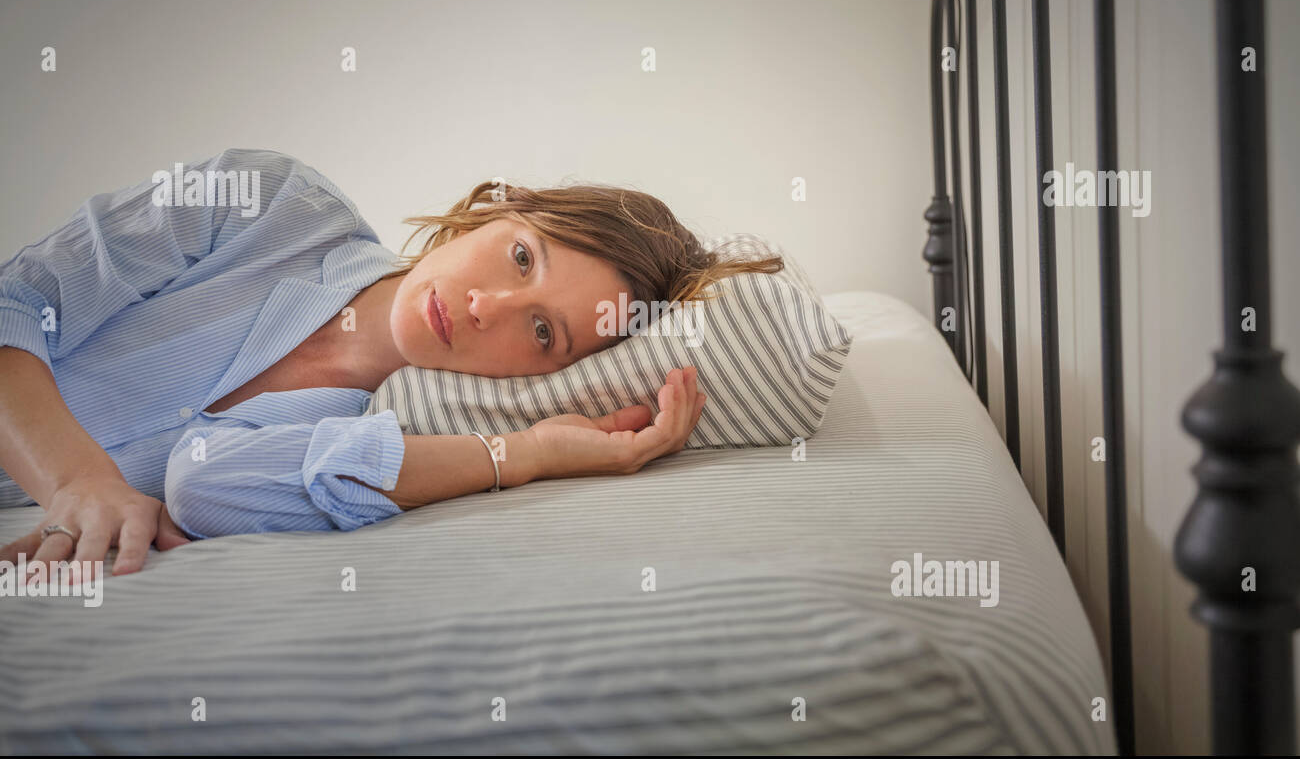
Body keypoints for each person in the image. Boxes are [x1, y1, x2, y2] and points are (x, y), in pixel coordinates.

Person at [0, 148, 782, 579]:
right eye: (520, 257)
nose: (488, 307)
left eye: (544, 333)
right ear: (500, 209)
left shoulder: (374, 429)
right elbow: (17, 301)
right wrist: (79, 483)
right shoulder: (274, 202)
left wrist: (531, 454)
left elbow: (204, 486)